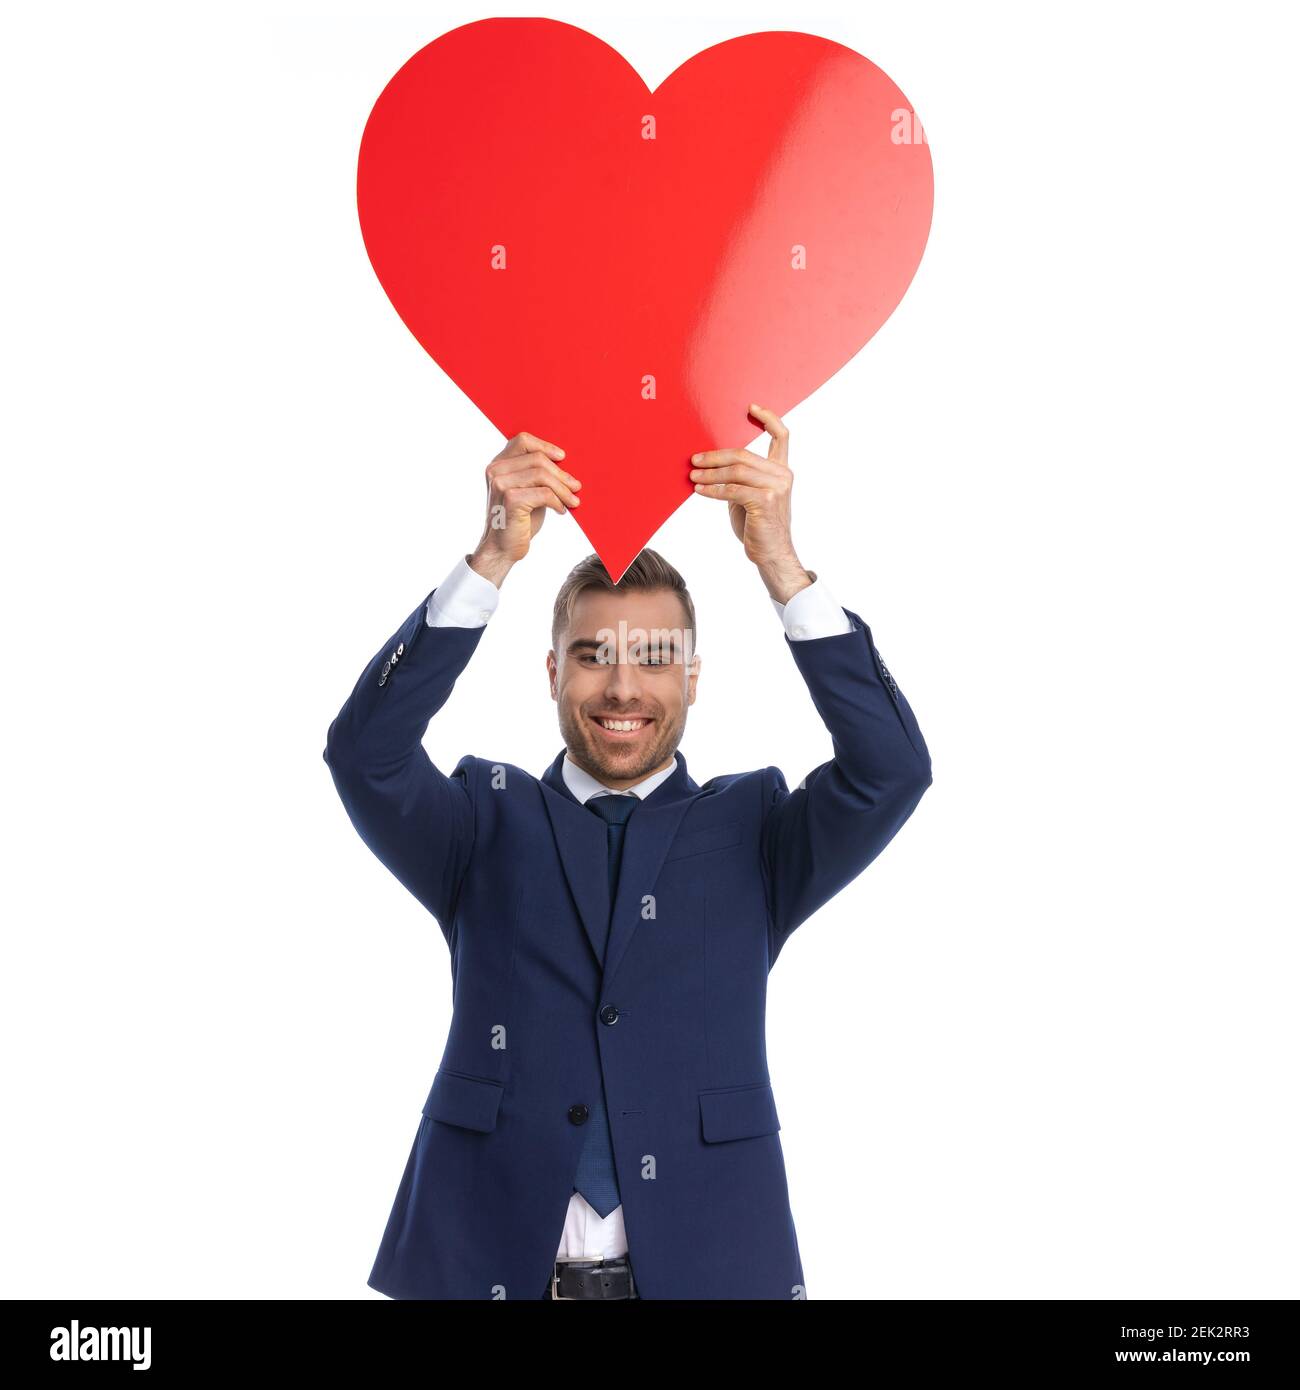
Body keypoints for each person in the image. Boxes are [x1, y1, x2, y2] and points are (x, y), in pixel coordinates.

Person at [323, 404, 932, 1299]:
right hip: (479, 1270)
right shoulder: (479, 822)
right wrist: (492, 558)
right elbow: (362, 753)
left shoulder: (758, 831)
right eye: (593, 655)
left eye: (654, 657)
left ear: (692, 676)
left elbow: (892, 770)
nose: (622, 686)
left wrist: (781, 566)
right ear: (553, 673)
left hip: (711, 1273)